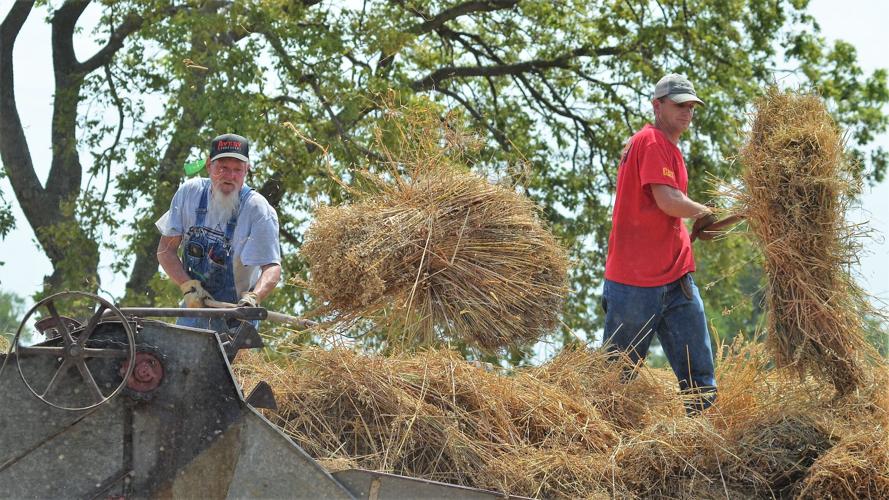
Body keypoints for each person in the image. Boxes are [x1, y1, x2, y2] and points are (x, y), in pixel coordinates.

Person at [601, 74, 718, 414]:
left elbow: (665, 210)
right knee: (614, 382)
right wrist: (702, 211)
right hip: (636, 284)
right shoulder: (650, 141)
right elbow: (667, 200)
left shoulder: (666, 147)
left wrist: (696, 219)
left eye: (692, 106)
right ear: (657, 105)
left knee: (700, 380)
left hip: (676, 279)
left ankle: (705, 443)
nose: (687, 111)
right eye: (679, 104)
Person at [156, 133, 282, 332]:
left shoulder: (258, 210)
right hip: (195, 308)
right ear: (208, 166)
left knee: (231, 363)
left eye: (237, 170)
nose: (229, 176)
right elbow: (165, 250)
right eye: (222, 168)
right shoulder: (189, 194)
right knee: (181, 359)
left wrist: (253, 298)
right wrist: (188, 287)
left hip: (238, 316)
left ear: (246, 170)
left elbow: (272, 267)